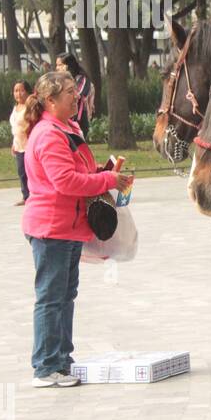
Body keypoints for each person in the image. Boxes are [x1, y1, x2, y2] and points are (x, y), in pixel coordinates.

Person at [20, 72, 132, 387]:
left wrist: (102, 172)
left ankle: (61, 361)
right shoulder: (49, 134)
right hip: (51, 228)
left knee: (65, 296)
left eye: (76, 91)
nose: (76, 97)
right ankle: (45, 367)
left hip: (68, 228)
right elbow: (65, 181)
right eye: (69, 92)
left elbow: (78, 171)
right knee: (51, 297)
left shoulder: (66, 127)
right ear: (50, 100)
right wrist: (108, 180)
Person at [55, 52, 95, 137]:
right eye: (57, 65)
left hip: (78, 121)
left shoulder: (82, 79)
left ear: (68, 65)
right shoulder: (59, 81)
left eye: (60, 65)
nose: (57, 68)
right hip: (64, 119)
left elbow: (76, 95)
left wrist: (66, 74)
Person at [9, 79, 34, 206]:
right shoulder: (15, 108)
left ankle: (33, 196)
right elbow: (15, 127)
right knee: (21, 172)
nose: (18, 94)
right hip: (19, 145)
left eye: (21, 90)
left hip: (29, 145)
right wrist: (14, 143)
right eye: (16, 91)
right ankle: (26, 196)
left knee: (29, 172)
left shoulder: (29, 108)